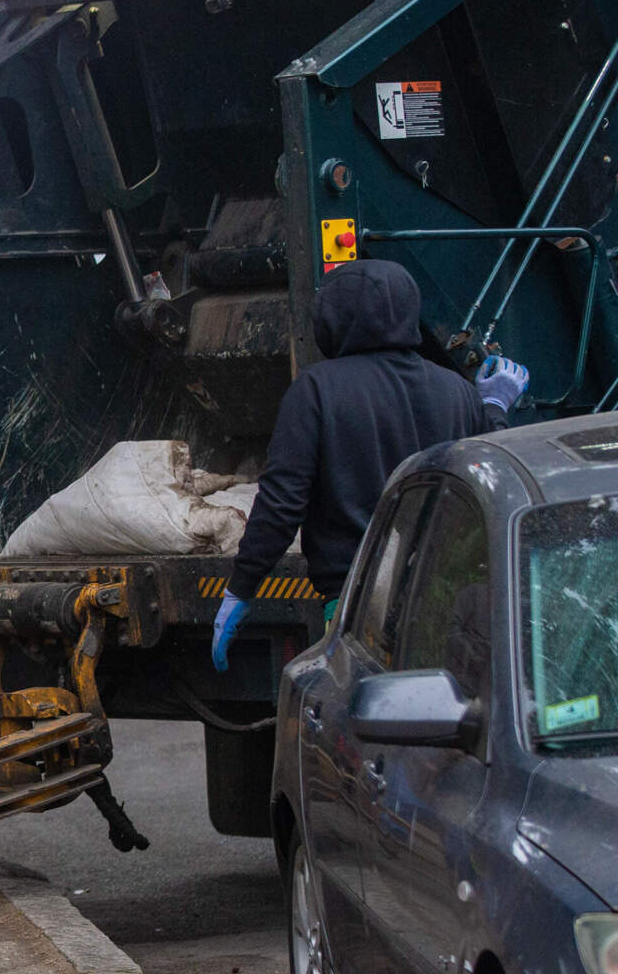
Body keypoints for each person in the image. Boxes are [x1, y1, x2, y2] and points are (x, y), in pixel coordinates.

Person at [212, 257, 528, 669]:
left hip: (358, 608)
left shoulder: (316, 391)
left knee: (364, 722)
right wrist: (494, 407)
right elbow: (489, 480)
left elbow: (282, 502)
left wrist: (241, 588)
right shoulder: (457, 391)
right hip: (444, 609)